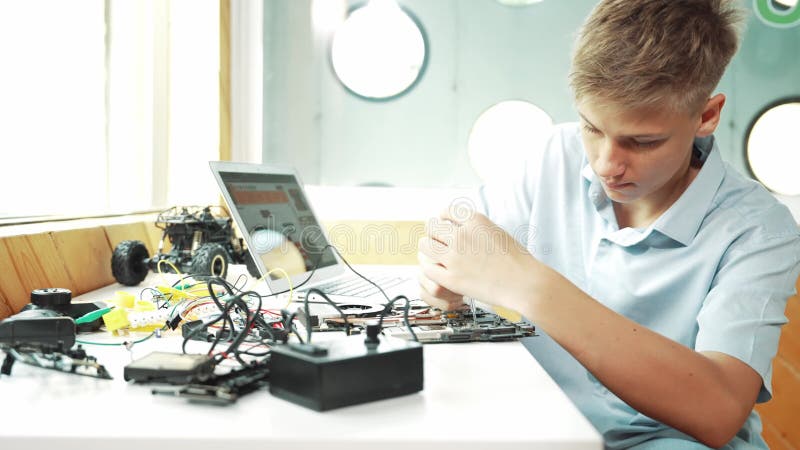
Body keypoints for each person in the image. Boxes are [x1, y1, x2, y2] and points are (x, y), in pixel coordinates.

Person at [417, 1, 800, 449]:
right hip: (545, 430)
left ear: (706, 116)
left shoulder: (758, 229)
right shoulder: (553, 155)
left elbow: (717, 410)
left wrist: (526, 285)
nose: (606, 164)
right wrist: (441, 278)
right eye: (592, 128)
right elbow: (453, 248)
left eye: (642, 142)